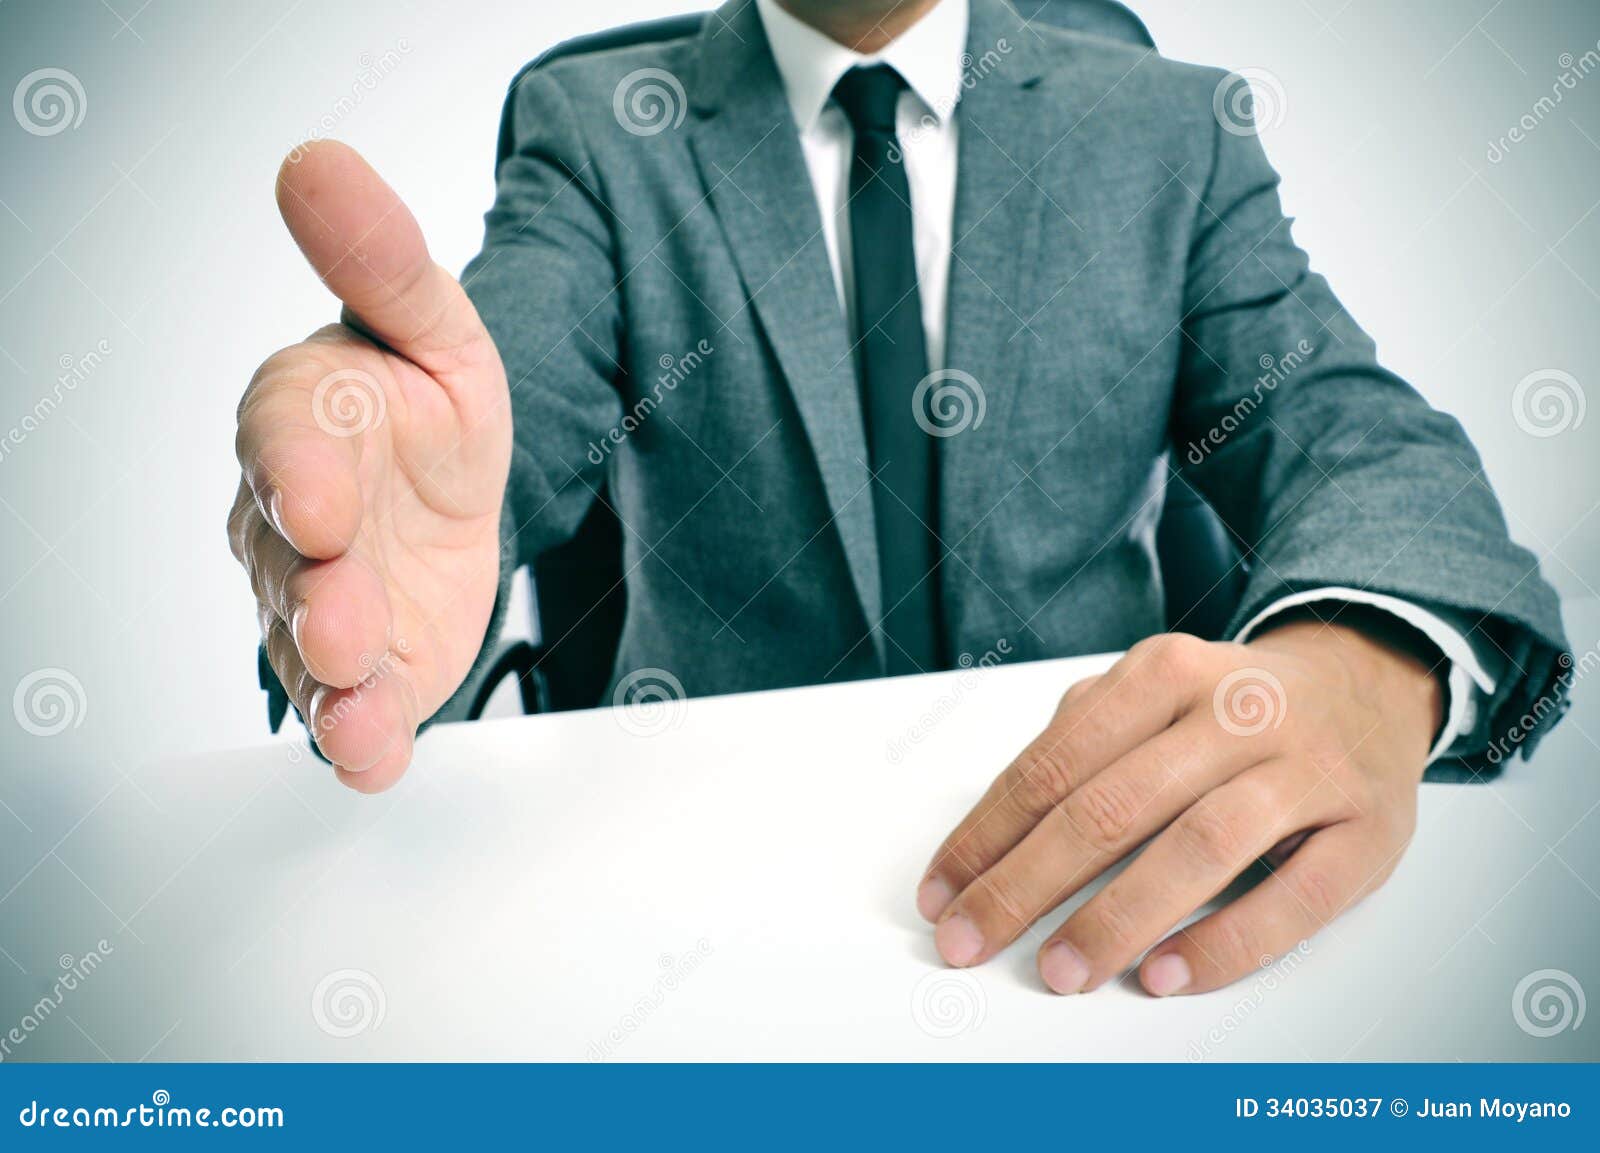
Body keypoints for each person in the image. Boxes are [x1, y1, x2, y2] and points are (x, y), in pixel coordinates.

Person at [226, 0, 1569, 996]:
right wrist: (370, 511)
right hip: (712, 918)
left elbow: (1349, 431)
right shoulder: (598, 134)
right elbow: (501, 410)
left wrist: (1372, 656)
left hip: (1096, 914)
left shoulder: (1170, 131)